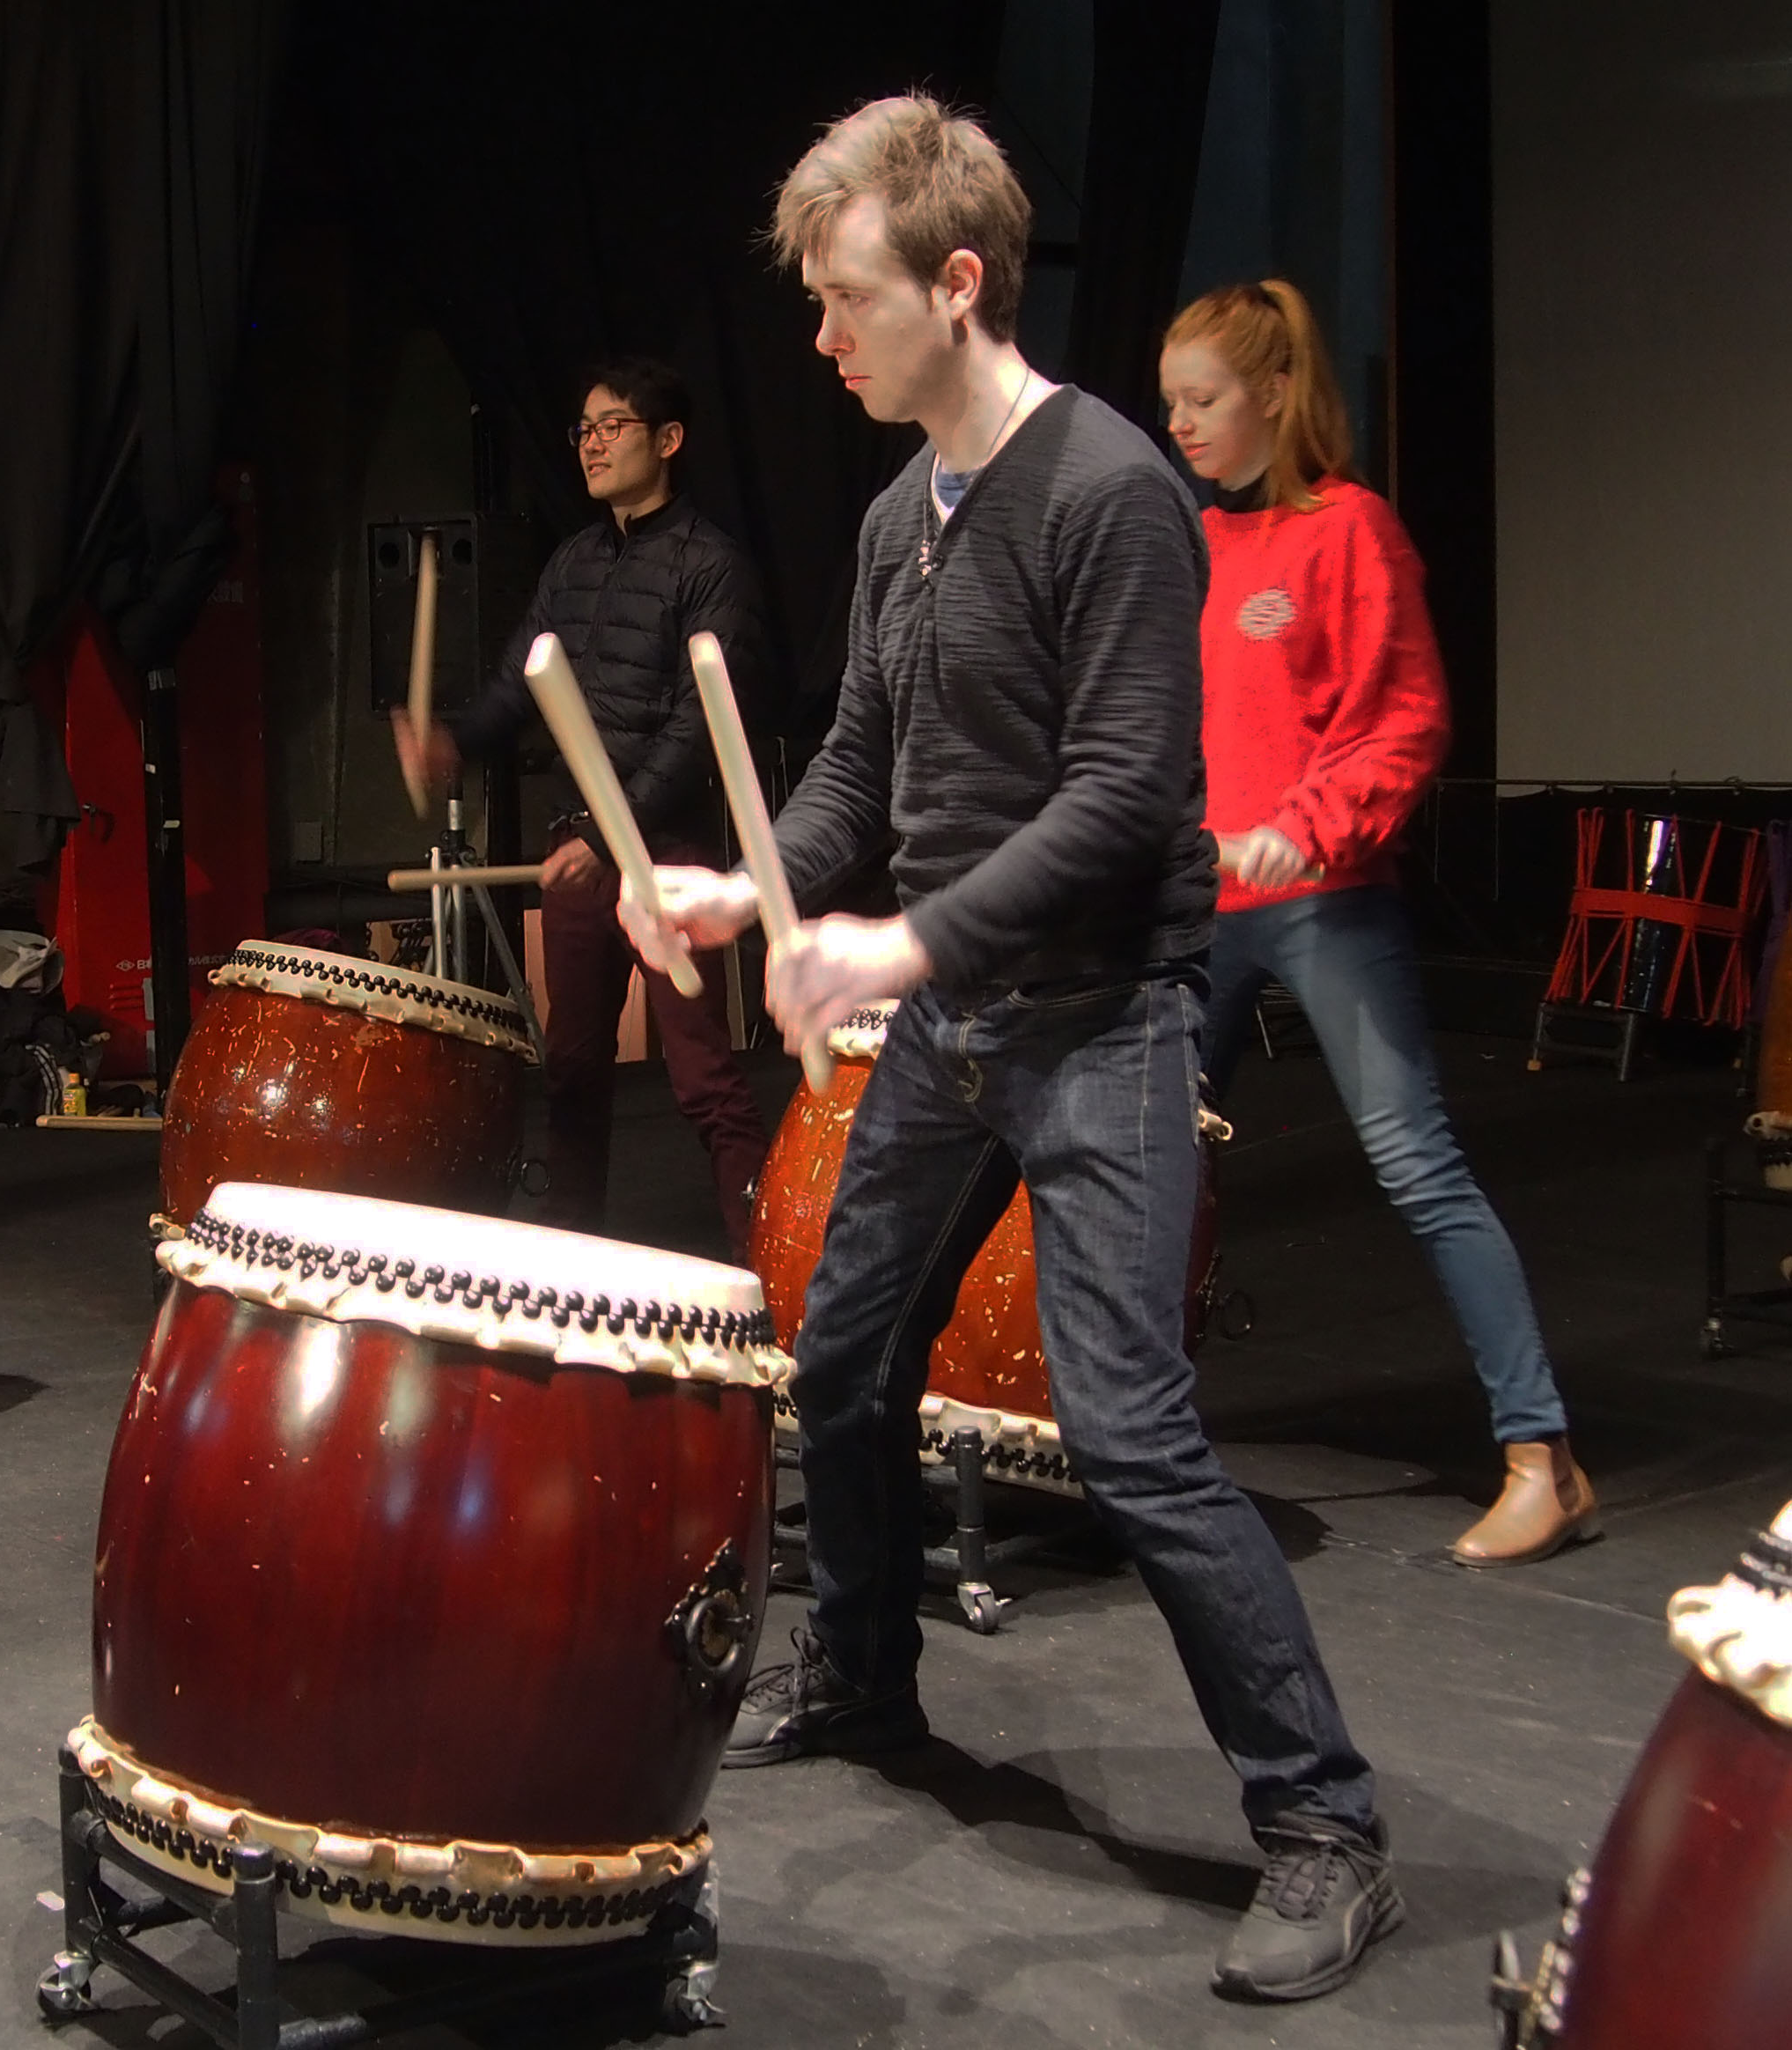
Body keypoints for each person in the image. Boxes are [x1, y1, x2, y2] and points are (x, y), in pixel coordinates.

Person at [622, 100, 1397, 2002]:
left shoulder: (1110, 492)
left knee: (1129, 1432)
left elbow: (1132, 797)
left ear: (960, 286)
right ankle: (873, 1674)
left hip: (1097, 1018)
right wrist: (755, 890)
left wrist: (908, 932)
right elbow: (865, 772)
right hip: (959, 1019)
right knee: (844, 1358)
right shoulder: (906, 517)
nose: (825, 340)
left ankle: (1322, 1825)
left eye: (849, 301)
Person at [1162, 280, 1596, 1566]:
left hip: (1322, 904)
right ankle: (1123, 1432)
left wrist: (1305, 822)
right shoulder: (1192, 544)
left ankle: (1543, 1459)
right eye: (1171, 402)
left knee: (1415, 1164)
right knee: (1144, 1175)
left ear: (1275, 395)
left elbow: (1402, 722)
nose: (1179, 424)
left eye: (1203, 400)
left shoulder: (1349, 533)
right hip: (1203, 908)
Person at [393, 357, 771, 1252]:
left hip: (666, 852)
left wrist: (611, 833)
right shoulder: (575, 561)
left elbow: (696, 729)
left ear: (668, 440)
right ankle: (572, 1271)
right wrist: (455, 739)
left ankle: (780, 1272)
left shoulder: (711, 564)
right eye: (584, 430)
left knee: (703, 1077)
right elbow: (521, 682)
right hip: (580, 853)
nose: (592, 444)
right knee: (571, 1074)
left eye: (613, 426)